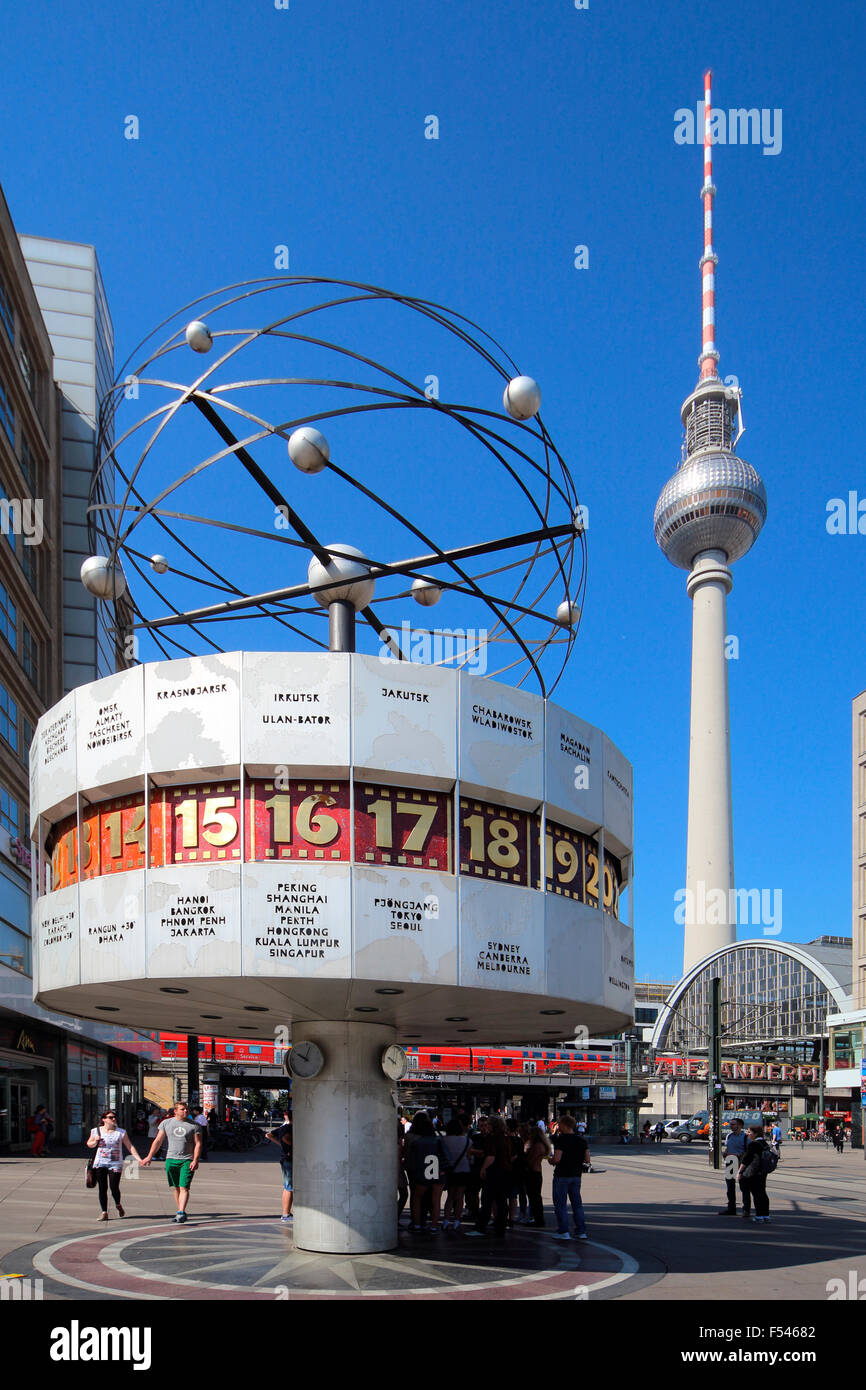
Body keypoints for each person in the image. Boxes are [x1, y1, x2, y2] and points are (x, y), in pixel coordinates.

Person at [140, 1100, 202, 1222]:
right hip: (171, 1159)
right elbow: (158, 1141)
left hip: (187, 1160)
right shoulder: (166, 1123)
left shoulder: (194, 1125)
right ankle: (180, 1211)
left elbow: (198, 1143)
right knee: (176, 1187)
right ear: (175, 1111)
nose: (185, 1111)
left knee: (184, 1187)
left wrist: (195, 1160)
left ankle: (181, 1211)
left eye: (186, 1109)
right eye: (182, 1109)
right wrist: (149, 1156)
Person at [86, 1110, 144, 1221]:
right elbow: (89, 1144)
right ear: (104, 1119)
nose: (113, 1119)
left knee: (114, 1187)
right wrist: (95, 1141)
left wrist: (139, 1159)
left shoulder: (121, 1132)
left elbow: (129, 1146)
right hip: (100, 1162)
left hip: (115, 1163)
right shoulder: (95, 1131)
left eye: (114, 1117)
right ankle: (104, 1212)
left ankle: (118, 1204)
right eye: (110, 1117)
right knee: (102, 1188)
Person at [467, 1115, 512, 1238]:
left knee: (487, 1200)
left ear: (492, 1126)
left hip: (494, 1172)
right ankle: (501, 1227)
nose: (486, 1127)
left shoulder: (492, 1138)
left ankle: (481, 1227)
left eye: (488, 1124)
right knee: (501, 1201)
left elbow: (491, 1156)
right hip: (505, 1171)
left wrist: (483, 1168)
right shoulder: (506, 1138)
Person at [548, 1114, 589, 1241]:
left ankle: (563, 1231)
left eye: (559, 1124)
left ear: (565, 1125)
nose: (558, 1127)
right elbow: (587, 1159)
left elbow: (556, 1159)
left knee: (560, 1204)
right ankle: (581, 1231)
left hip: (562, 1175)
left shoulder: (561, 1140)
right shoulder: (581, 1140)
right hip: (576, 1175)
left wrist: (550, 1160)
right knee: (577, 1204)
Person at [405, 1111, 446, 1232]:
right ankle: (433, 1225)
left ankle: (417, 1223)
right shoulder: (438, 1139)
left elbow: (413, 1157)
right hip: (437, 1171)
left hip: (420, 1171)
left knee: (416, 1197)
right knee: (435, 1200)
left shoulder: (414, 1140)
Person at [441, 1115, 472, 1230]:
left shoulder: (444, 1140)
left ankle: (446, 1220)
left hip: (450, 1170)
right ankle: (457, 1220)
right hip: (463, 1170)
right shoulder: (467, 1141)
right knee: (460, 1197)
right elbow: (468, 1156)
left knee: (450, 1197)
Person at [738, 1124, 771, 1224]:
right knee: (763, 1193)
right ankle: (766, 1215)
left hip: (753, 1172)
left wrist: (740, 1172)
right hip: (763, 1171)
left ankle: (759, 1216)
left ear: (755, 1134)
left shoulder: (754, 1144)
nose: (748, 1134)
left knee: (756, 1194)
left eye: (749, 1132)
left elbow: (747, 1159)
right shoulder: (764, 1143)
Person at [718, 1117, 749, 1218]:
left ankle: (746, 1210)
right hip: (730, 1162)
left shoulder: (745, 1137)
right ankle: (731, 1208)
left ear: (740, 1126)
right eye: (730, 1124)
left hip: (741, 1163)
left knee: (744, 1187)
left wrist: (740, 1156)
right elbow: (727, 1147)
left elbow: (748, 1152)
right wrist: (725, 1153)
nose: (730, 1126)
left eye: (733, 1124)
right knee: (730, 1186)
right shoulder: (729, 1136)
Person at [266, 1114, 293, 1222]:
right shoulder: (289, 1128)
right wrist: (292, 1145)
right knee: (289, 1187)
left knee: (288, 1187)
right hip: (289, 1159)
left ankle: (286, 1213)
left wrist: (281, 1144)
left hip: (285, 1158)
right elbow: (285, 1138)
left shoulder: (283, 1127)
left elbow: (268, 1135)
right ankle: (286, 1214)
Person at [524, 1123, 550, 1227]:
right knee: (535, 1197)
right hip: (536, 1172)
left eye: (530, 1133)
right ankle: (537, 1218)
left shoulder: (537, 1146)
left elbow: (530, 1160)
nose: (528, 1135)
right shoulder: (541, 1145)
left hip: (533, 1172)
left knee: (534, 1197)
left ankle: (538, 1219)